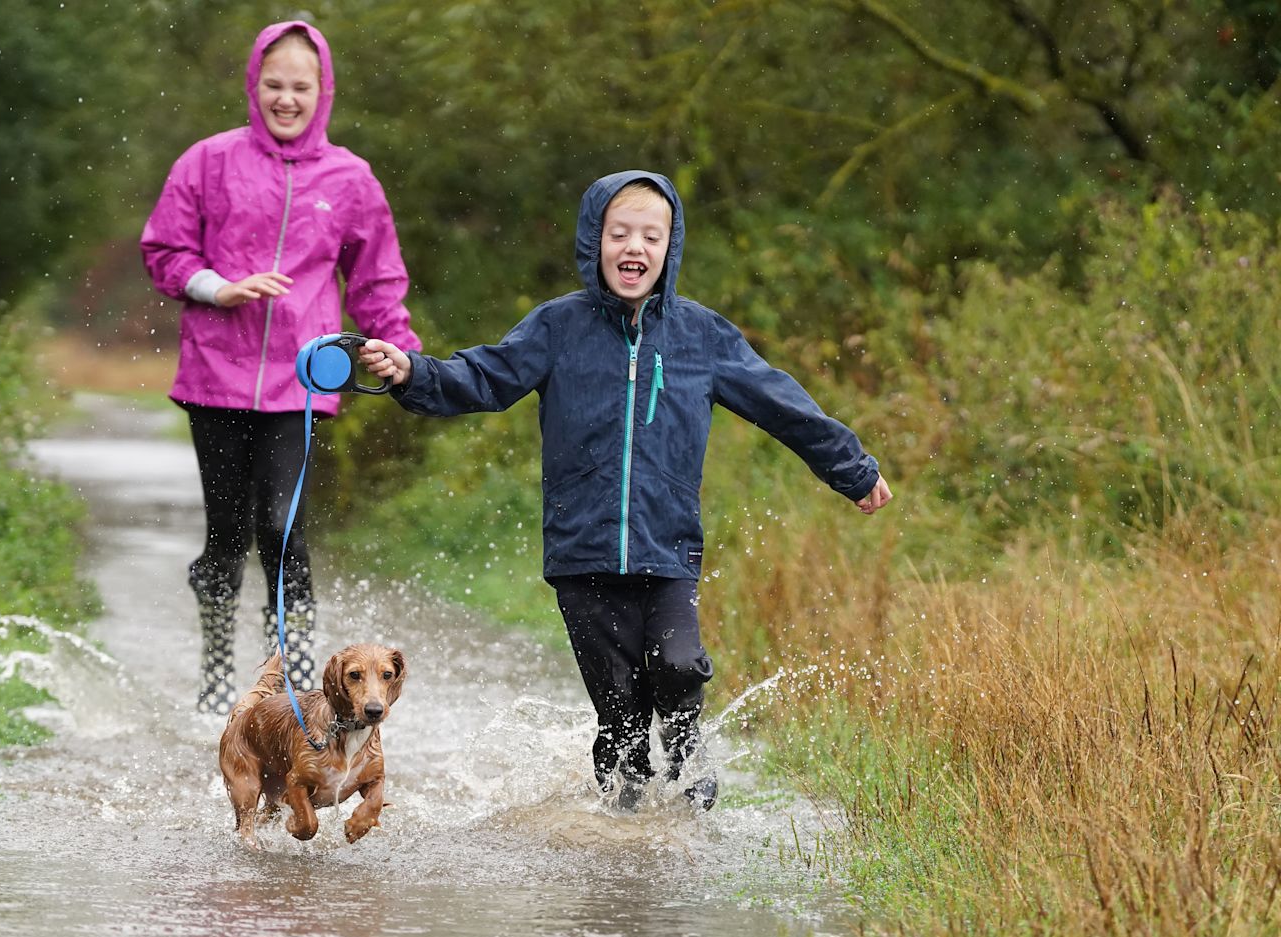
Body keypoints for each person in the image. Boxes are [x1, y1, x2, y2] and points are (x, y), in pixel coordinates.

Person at [358, 171, 892, 810]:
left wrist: (852, 469)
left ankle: (690, 755)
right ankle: (624, 841)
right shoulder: (557, 328)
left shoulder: (701, 336)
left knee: (677, 664)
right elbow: (486, 376)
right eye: (619, 233)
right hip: (581, 553)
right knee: (621, 719)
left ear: (671, 248)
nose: (633, 246)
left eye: (651, 235)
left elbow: (783, 404)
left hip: (667, 548)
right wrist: (413, 371)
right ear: (595, 241)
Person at [141, 21, 421, 715]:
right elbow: (165, 250)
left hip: (302, 382)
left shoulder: (350, 178)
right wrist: (218, 287)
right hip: (214, 375)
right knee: (227, 532)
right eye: (274, 85)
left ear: (322, 91)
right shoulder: (207, 162)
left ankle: (289, 684)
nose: (286, 99)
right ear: (252, 86)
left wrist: (401, 356)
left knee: (281, 523)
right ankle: (214, 679)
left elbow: (378, 279)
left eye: (300, 86)